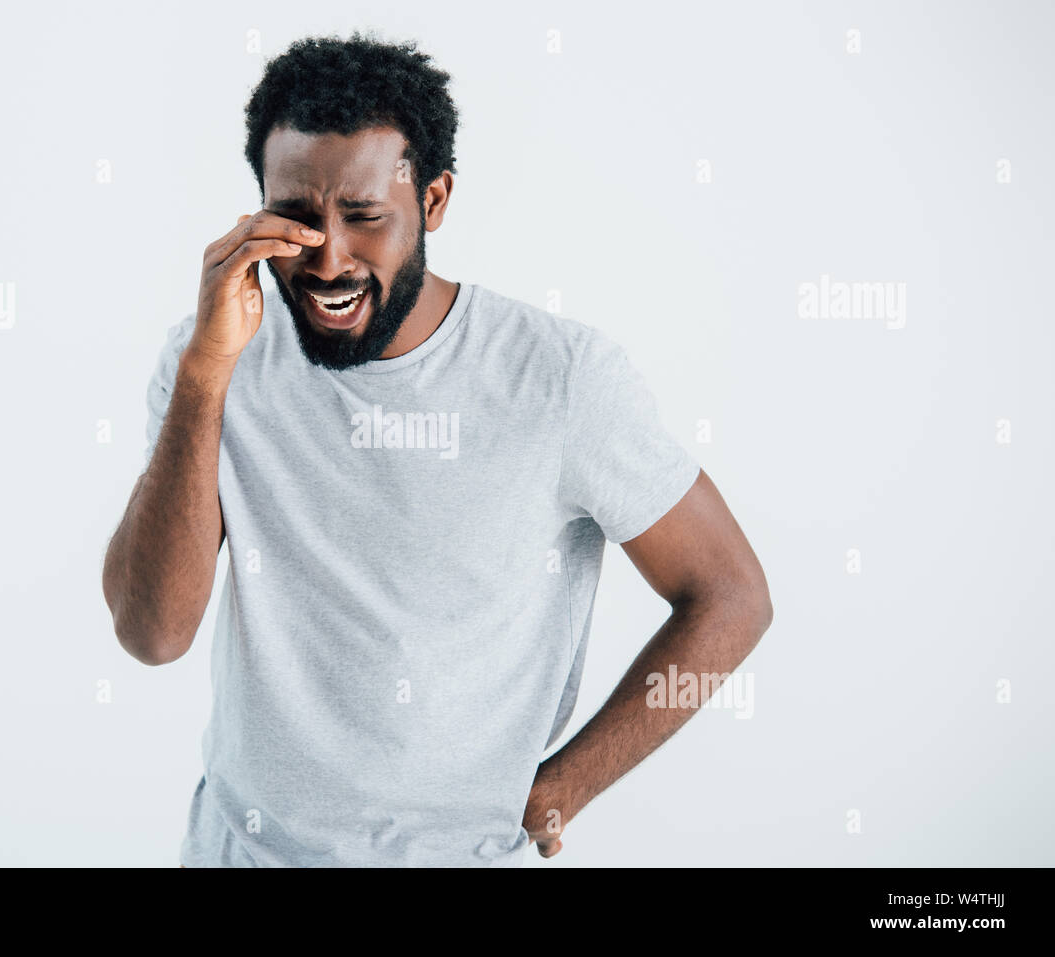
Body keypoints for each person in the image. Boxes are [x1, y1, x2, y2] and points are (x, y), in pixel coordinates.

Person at [101, 31, 773, 867]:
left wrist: (564, 786)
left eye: (364, 217)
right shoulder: (213, 357)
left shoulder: (559, 378)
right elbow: (152, 631)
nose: (329, 258)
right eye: (299, 219)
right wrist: (205, 372)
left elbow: (731, 596)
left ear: (436, 200)